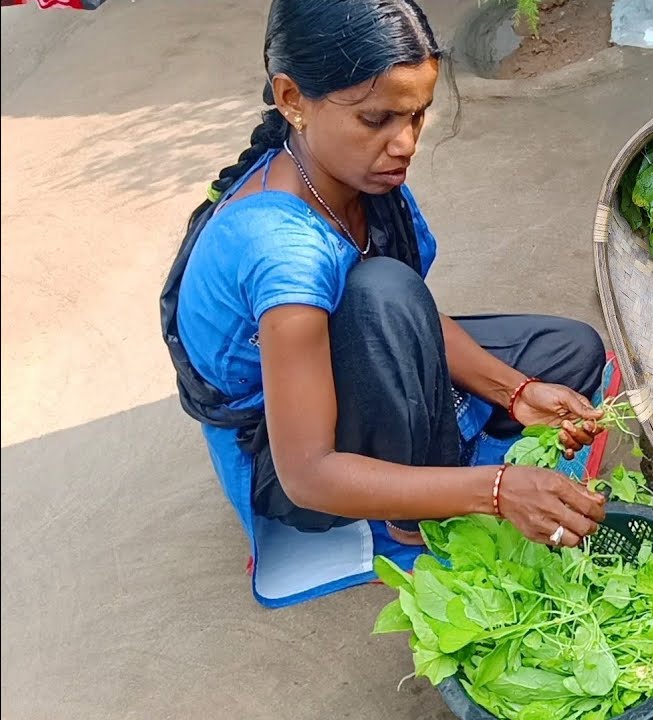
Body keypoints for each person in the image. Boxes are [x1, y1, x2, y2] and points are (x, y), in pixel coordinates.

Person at [159, 0, 608, 606]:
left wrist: (515, 391)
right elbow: (309, 472)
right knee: (384, 292)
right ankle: (408, 518)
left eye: (417, 116)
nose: (406, 144)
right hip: (284, 457)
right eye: (378, 119)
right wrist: (497, 490)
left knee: (568, 351)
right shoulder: (282, 252)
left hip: (357, 348)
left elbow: (411, 316)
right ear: (292, 99)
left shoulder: (353, 174)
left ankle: (438, 460)